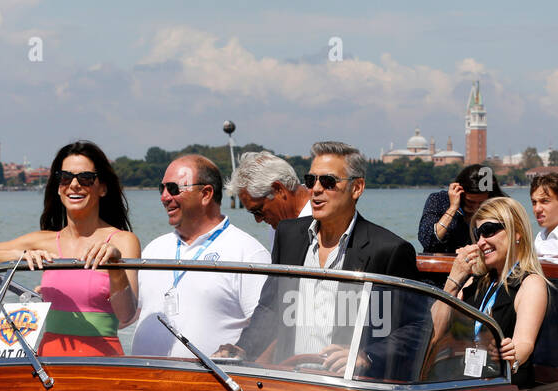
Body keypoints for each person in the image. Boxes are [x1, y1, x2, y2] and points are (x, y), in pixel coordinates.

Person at [222, 141, 420, 373]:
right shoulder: (288, 235)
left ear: (357, 188)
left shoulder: (388, 250)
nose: (315, 189)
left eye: (328, 182)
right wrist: (241, 350)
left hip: (349, 389)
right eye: (310, 180)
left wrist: (366, 356)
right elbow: (271, 307)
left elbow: (417, 327)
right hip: (290, 382)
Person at [0, 141, 140, 357]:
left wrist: (115, 267)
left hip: (102, 366)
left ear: (102, 188)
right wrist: (18, 256)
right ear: (58, 187)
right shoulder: (43, 241)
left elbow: (126, 316)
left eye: (85, 178)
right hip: (49, 365)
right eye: (65, 178)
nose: (74, 185)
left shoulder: (122, 242)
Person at [130, 154, 271, 357]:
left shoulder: (247, 253)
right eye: (162, 189)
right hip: (143, 382)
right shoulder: (154, 248)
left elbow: (267, 332)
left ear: (206, 194)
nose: (164, 197)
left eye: (173, 188)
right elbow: (125, 316)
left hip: (209, 385)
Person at [432, 196, 549, 389]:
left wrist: (510, 355)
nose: (480, 242)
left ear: (517, 232)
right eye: (478, 234)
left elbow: (524, 343)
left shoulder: (531, 284)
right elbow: (435, 332)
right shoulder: (474, 281)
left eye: (488, 231)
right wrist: (453, 281)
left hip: (504, 390)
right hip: (464, 382)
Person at [417, 163, 507, 254]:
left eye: (481, 203)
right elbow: (428, 241)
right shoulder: (438, 200)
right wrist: (452, 208)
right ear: (460, 193)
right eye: (470, 202)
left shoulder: (500, 206)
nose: (476, 208)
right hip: (443, 263)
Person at [228, 151, 312, 237]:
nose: (258, 220)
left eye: (258, 211)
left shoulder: (322, 219)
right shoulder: (276, 227)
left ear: (278, 189)